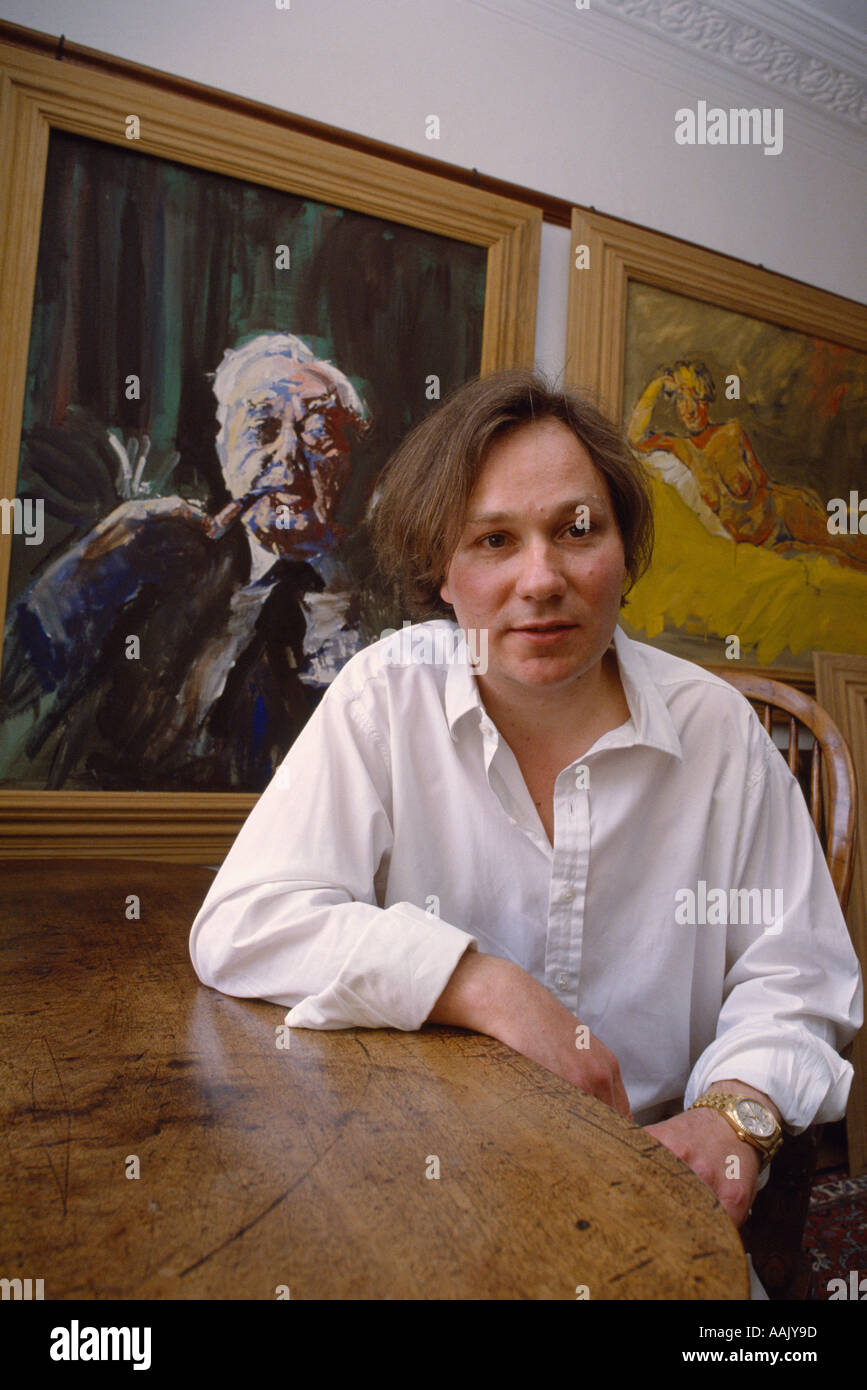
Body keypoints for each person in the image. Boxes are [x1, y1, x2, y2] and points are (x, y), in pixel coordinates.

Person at [189, 369, 861, 1291]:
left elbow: (798, 974)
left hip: (655, 1191)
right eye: (494, 540)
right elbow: (246, 920)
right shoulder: (386, 694)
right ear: (441, 569)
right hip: (418, 1188)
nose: (539, 579)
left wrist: (733, 1112)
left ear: (624, 550)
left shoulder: (716, 732)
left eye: (576, 531)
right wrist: (479, 981)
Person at [0, 333, 371, 790]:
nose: (288, 457)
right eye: (263, 428)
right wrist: (90, 567)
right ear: (224, 449)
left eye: (317, 431)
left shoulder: (375, 606)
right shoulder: (147, 562)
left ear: (349, 457)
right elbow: (14, 687)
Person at [628, 360, 867, 570]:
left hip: (782, 514)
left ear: (707, 402)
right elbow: (635, 436)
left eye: (696, 399)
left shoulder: (732, 433)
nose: (689, 409)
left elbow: (763, 483)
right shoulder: (679, 447)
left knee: (841, 540)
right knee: (837, 564)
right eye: (682, 399)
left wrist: (794, 498)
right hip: (763, 546)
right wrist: (657, 384)